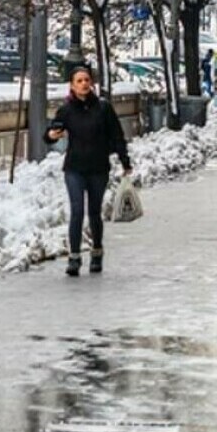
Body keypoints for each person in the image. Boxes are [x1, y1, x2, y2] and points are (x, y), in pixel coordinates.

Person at [45, 66, 133, 276]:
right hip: (74, 168)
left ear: (91, 83)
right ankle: (74, 257)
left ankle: (96, 252)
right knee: (76, 211)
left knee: (94, 212)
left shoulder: (103, 108)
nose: (84, 84)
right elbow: (48, 135)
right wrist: (52, 135)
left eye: (86, 80)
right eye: (79, 81)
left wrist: (125, 161)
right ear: (72, 86)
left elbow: (117, 136)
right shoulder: (66, 110)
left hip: (98, 168)